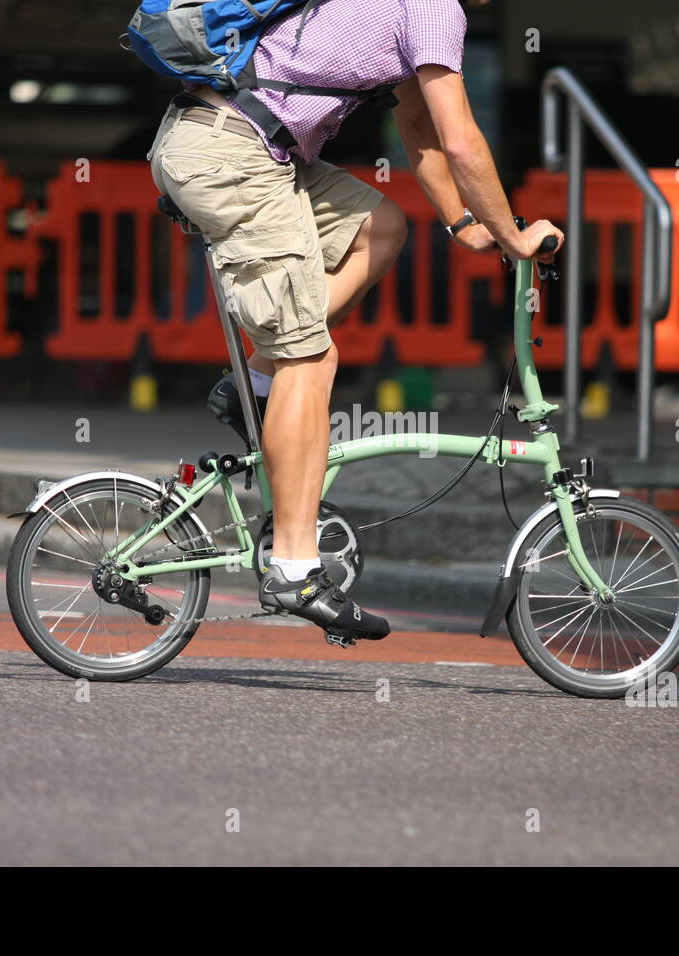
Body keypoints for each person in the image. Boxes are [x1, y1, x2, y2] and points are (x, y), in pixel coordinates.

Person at [149, 0, 562, 644]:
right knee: (311, 359)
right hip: (231, 153)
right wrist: (513, 235)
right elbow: (460, 138)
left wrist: (463, 225)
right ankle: (293, 568)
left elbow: (421, 129)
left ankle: (255, 385)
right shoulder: (434, 6)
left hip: (243, 144)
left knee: (381, 226)